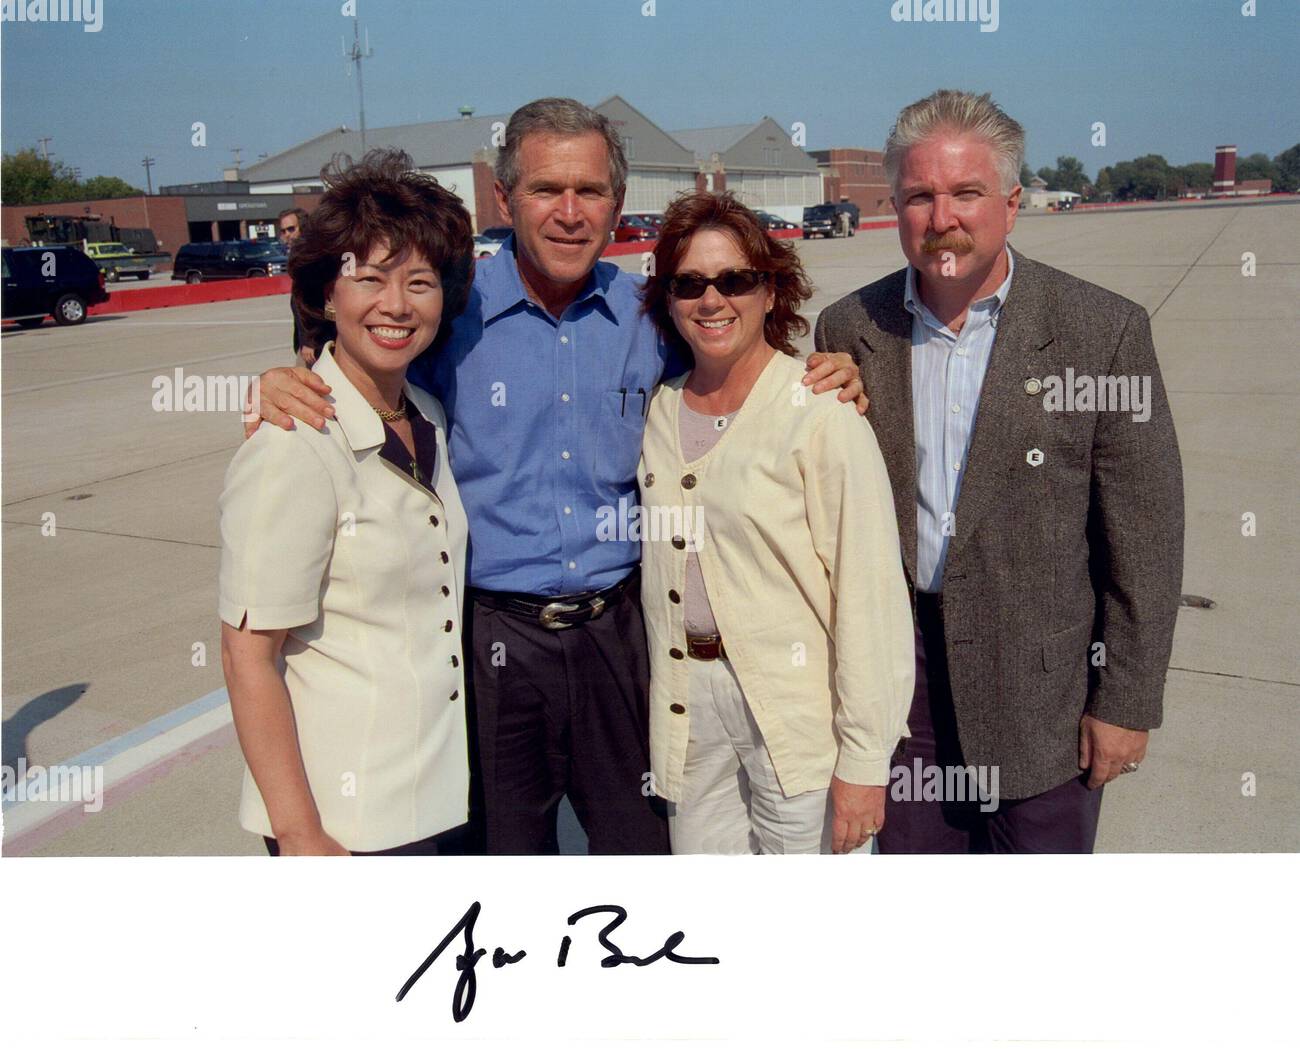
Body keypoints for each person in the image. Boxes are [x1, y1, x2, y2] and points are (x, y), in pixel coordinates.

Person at [245, 98, 868, 856]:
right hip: (496, 645)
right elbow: (363, 358)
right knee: (506, 865)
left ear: (616, 203)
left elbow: (736, 354)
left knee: (641, 861)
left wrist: (822, 375)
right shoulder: (453, 310)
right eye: (546, 190)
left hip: (622, 638)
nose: (570, 213)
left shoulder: (650, 318)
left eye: (591, 192)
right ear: (505, 199)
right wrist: (283, 378)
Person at [815, 90, 1185, 853]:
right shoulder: (851, 327)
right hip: (905, 688)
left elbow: (1147, 536)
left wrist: (1127, 699)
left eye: (966, 192)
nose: (941, 214)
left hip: (1043, 699)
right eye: (919, 195)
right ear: (895, 205)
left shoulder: (1101, 332)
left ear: (1012, 204)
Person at [638, 193, 914, 854]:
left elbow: (870, 598)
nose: (712, 300)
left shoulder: (819, 411)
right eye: (690, 283)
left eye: (735, 280)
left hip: (794, 714)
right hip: (689, 706)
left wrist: (864, 761)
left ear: (769, 290)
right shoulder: (660, 408)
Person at [220, 150, 475, 856]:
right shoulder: (294, 444)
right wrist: (301, 833)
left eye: (420, 283)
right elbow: (249, 654)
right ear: (325, 296)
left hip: (433, 800)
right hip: (344, 824)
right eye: (368, 279)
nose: (396, 305)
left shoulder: (426, 413)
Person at [278, 206, 318, 367]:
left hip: (316, 343)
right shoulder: (298, 255)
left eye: (291, 229)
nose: (287, 235)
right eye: (283, 231)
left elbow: (311, 303)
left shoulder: (310, 257)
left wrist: (309, 341)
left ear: (303, 227)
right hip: (306, 342)